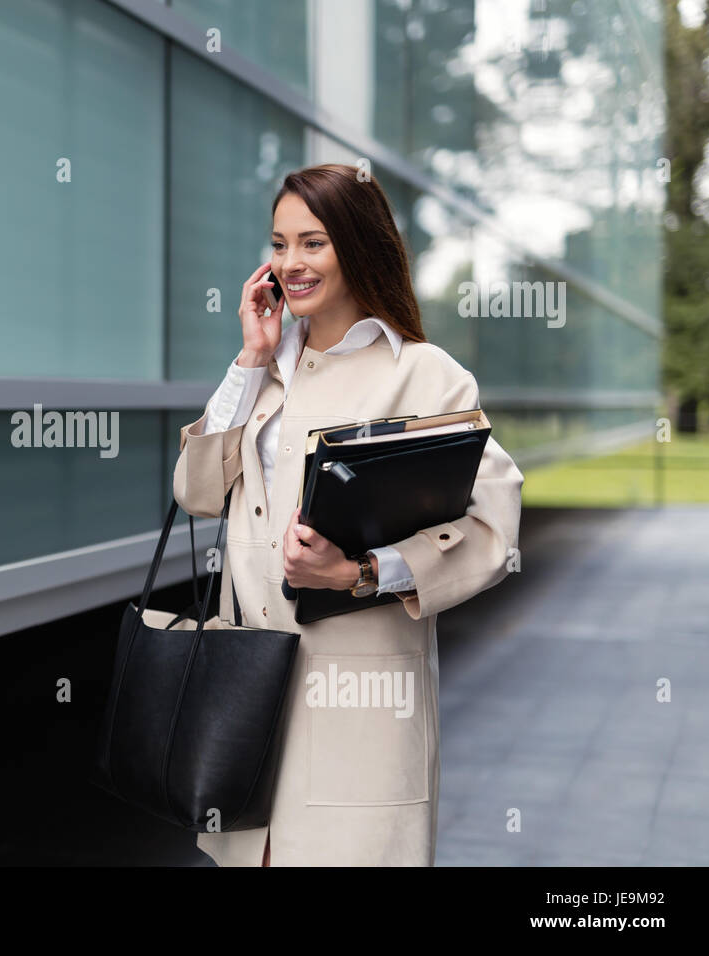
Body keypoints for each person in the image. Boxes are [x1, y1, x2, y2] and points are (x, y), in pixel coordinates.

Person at [173, 163, 524, 866]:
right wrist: (248, 359)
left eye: (314, 243)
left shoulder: (426, 375)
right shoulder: (264, 370)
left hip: (361, 708)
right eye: (279, 244)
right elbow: (196, 490)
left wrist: (359, 574)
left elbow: (493, 530)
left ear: (358, 247)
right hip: (248, 702)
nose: (291, 263)